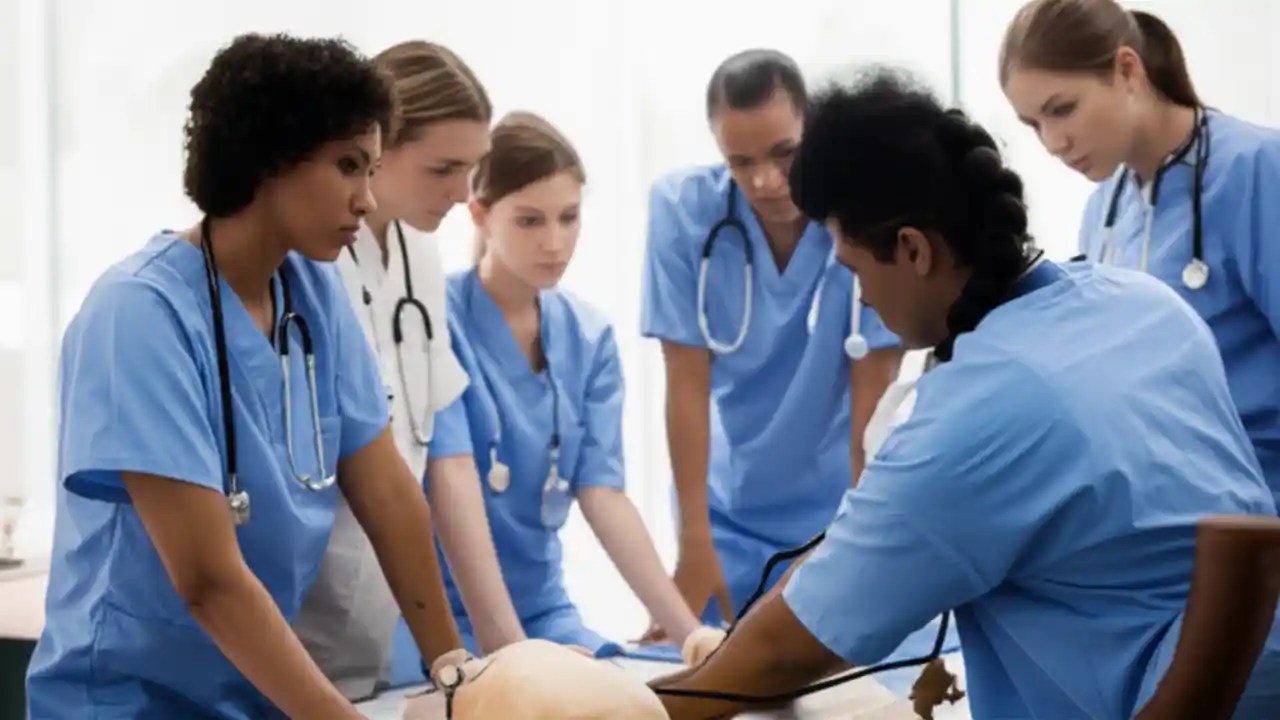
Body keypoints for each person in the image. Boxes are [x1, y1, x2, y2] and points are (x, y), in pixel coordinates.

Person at [649, 68, 1280, 720]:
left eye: (856, 269)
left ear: (914, 250)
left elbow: (779, 658)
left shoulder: (979, 414)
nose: (862, 295)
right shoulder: (1147, 305)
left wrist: (617, 709)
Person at [25, 34, 477, 718]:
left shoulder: (314, 296)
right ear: (268, 157)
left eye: (374, 167)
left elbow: (388, 493)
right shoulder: (138, 316)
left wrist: (457, 680)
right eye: (348, 166)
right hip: (127, 703)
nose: (366, 197)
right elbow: (207, 580)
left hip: (253, 698)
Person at [388, 111, 703, 683]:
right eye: (530, 220)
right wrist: (512, 657)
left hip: (545, 612)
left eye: (569, 218)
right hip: (437, 621)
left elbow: (603, 494)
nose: (555, 243)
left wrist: (691, 634)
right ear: (481, 214)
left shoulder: (589, 337)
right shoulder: (436, 319)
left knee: (640, 689)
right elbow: (450, 484)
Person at [294, 39, 527, 701]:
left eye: (472, 168)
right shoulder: (312, 266)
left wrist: (507, 651)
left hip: (376, 630)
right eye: (444, 169)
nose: (464, 193)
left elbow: (442, 453)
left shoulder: (422, 260)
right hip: (299, 623)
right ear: (375, 147)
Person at [639, 48, 902, 631]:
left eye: (785, 153)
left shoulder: (864, 214)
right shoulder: (684, 213)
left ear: (813, 129)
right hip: (723, 520)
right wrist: (694, 540)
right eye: (740, 161)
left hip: (836, 517)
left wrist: (860, 551)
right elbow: (685, 381)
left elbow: (872, 408)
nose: (765, 180)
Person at [1001, 0, 1280, 504]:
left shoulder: (1257, 170)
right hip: (1162, 509)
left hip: (1257, 513)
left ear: (1127, 69)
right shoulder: (1103, 213)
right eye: (1033, 124)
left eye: (1062, 109)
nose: (1053, 142)